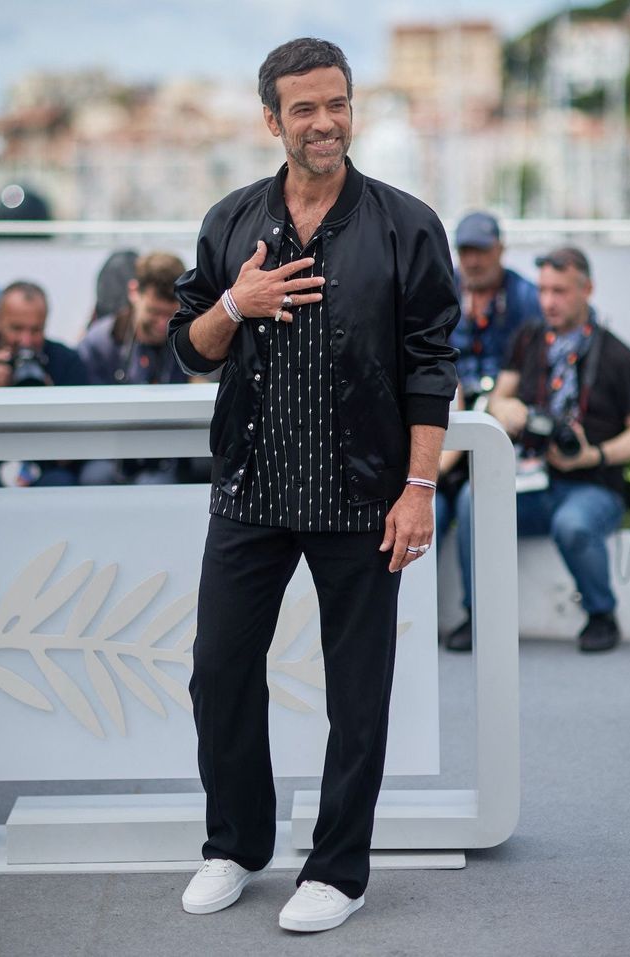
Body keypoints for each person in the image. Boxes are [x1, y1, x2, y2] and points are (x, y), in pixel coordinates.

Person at [168, 38, 459, 933]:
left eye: (336, 102)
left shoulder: (407, 224)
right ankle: (237, 844)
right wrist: (234, 305)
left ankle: (337, 868)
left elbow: (432, 362)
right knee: (218, 671)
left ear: (350, 107)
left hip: (361, 494)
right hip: (250, 488)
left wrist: (418, 487)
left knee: (357, 690)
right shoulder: (230, 220)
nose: (324, 121)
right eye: (304, 107)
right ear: (272, 119)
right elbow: (186, 347)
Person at [451, 247, 630, 653]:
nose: (549, 301)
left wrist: (595, 455)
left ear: (587, 289)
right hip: (529, 478)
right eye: (544, 290)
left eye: (561, 291)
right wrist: (508, 408)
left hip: (591, 484)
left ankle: (601, 614)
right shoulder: (529, 337)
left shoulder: (619, 355)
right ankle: (476, 615)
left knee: (574, 524)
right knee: (470, 501)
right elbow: (498, 398)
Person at [438, 212, 542, 649]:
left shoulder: (526, 298)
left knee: (473, 502)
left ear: (500, 248)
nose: (473, 260)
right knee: (428, 509)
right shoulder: (443, 290)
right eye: (466, 251)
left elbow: (535, 369)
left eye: (481, 250)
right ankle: (404, 619)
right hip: (446, 426)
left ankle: (476, 615)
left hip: (502, 431)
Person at [78, 251, 189, 485]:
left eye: (172, 314)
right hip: (110, 453)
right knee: (95, 478)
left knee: (156, 485)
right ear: (133, 292)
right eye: (154, 312)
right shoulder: (99, 343)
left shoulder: (193, 341)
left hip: (166, 455)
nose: (163, 324)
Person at [0, 281, 88, 487]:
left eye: (35, 330)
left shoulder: (67, 362)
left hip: (49, 471)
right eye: (17, 328)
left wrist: (52, 400)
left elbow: (77, 450)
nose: (26, 341)